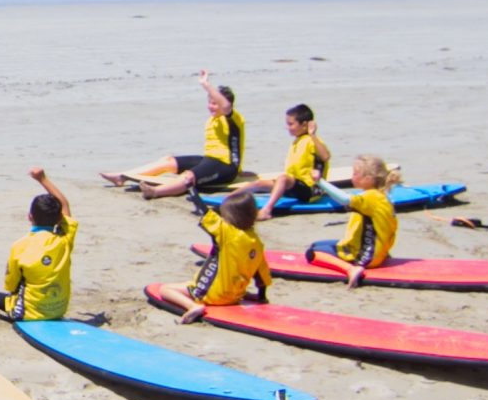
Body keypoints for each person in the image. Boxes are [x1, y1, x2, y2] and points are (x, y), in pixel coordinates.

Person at [100, 71, 245, 201]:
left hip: (227, 166)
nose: (210, 106)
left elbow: (225, 107)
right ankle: (122, 177)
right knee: (168, 161)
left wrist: (206, 85)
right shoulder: (212, 120)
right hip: (209, 160)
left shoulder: (233, 119)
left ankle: (155, 192)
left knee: (189, 176)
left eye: (215, 103)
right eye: (209, 103)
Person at [0, 167, 76, 321]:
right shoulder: (64, 239)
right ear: (59, 219)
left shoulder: (20, 246)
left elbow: (10, 286)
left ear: (30, 217)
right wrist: (42, 179)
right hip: (59, 309)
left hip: (27, 313)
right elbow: (64, 205)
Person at [153, 192, 271, 323]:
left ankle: (193, 306)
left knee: (165, 289)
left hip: (212, 294)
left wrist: (191, 190)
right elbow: (262, 273)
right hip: (234, 297)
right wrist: (261, 297)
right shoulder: (256, 242)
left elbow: (206, 214)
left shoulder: (226, 232)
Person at [305, 154, 402, 287]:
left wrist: (319, 181)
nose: (352, 177)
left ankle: (351, 269)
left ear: (368, 179)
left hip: (365, 256)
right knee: (316, 244)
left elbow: (344, 199)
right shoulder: (380, 195)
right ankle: (377, 257)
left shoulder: (371, 197)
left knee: (312, 253)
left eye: (356, 174)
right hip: (378, 253)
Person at [232, 103, 330, 220]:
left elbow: (325, 156)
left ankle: (266, 211)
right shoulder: (298, 141)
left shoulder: (312, 140)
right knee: (258, 184)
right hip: (295, 186)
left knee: (283, 178)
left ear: (304, 125)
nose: (287, 127)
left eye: (291, 124)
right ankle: (229, 198)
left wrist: (312, 134)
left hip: (310, 191)